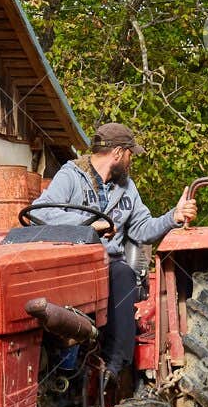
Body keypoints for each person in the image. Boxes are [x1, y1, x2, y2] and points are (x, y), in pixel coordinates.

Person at [29, 122, 197, 379]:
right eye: (130, 154)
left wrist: (172, 217)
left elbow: (142, 229)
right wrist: (89, 227)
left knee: (123, 274)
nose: (131, 160)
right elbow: (39, 213)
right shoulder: (71, 175)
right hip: (75, 261)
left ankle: (115, 366)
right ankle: (63, 368)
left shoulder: (127, 187)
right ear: (118, 153)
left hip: (108, 262)